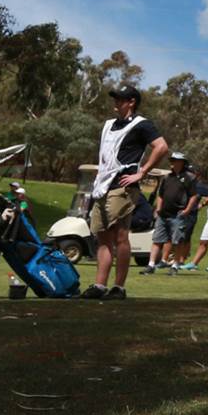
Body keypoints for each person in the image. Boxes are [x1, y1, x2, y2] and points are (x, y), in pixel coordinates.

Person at [82, 87, 167, 300]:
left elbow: (161, 147)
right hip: (103, 186)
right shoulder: (108, 125)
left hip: (123, 187)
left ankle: (118, 287)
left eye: (120, 99)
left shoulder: (142, 124)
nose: (116, 102)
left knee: (120, 235)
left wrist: (142, 173)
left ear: (131, 102)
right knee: (102, 236)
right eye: (115, 99)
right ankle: (100, 286)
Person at [148, 153, 199, 276]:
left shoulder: (189, 178)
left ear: (181, 162)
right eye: (171, 160)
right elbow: (161, 194)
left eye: (175, 160)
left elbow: (193, 196)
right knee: (157, 240)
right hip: (163, 214)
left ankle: (175, 265)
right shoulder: (167, 177)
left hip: (178, 214)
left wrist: (187, 210)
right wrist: (158, 208)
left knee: (178, 241)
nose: (172, 162)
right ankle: (151, 265)